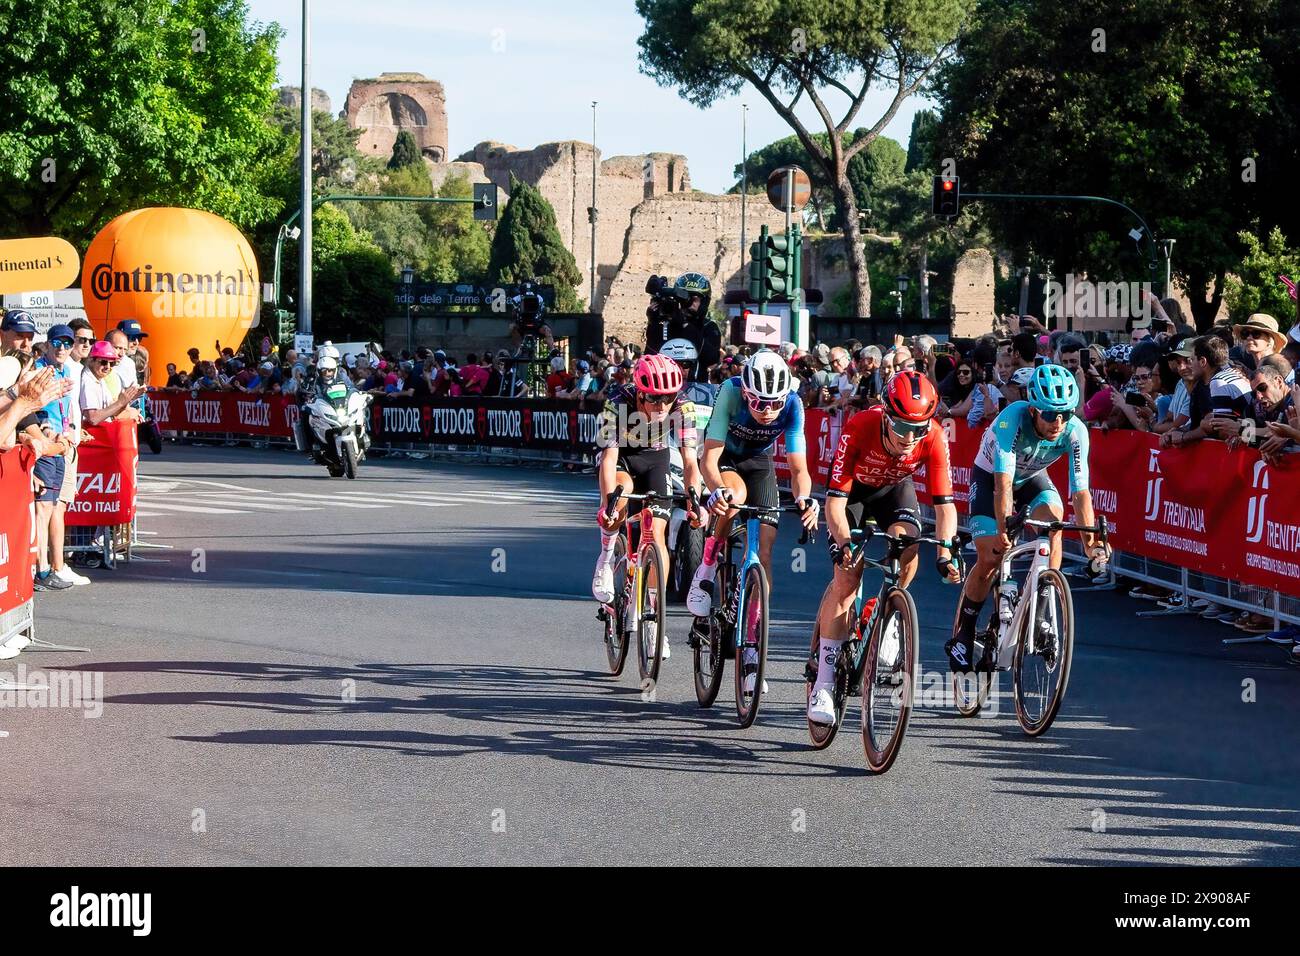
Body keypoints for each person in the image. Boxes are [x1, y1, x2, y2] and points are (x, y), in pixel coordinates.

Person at [808, 371, 961, 724]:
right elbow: (833, 504)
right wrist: (843, 542)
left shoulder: (934, 436)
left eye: (918, 429)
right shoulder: (861, 425)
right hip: (854, 494)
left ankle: (890, 611)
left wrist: (947, 552)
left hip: (894, 488)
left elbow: (944, 506)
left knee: (909, 542)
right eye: (903, 427)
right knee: (848, 576)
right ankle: (825, 683)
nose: (911, 438)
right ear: (886, 415)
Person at [946, 364, 1108, 672]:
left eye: (1065, 414)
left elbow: (1081, 492)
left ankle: (1044, 598)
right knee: (991, 555)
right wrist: (1004, 523)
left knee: (1056, 520)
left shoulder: (1076, 432)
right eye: (1049, 414)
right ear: (1033, 409)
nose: (1058, 422)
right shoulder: (1012, 421)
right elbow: (1002, 484)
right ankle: (964, 633)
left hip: (1032, 478)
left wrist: (1091, 544)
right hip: (992, 480)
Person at [688, 350, 820, 693]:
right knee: (734, 498)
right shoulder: (730, 391)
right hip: (725, 459)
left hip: (758, 462)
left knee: (765, 547)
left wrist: (805, 497)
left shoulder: (793, 404)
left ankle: (752, 635)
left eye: (773, 404)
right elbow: (709, 458)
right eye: (758, 403)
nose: (766, 412)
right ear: (746, 392)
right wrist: (715, 490)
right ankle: (706, 567)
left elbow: (798, 467)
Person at [592, 353, 704, 661]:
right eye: (654, 399)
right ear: (640, 392)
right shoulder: (617, 402)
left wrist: (695, 497)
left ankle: (655, 620)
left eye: (667, 399)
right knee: (621, 494)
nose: (661, 407)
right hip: (622, 460)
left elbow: (691, 462)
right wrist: (608, 507)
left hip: (655, 460)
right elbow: (608, 461)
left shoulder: (683, 407)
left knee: (656, 533)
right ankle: (605, 558)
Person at [643, 272, 721, 378]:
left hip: (697, 389)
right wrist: (653, 323)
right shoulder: (667, 324)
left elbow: (711, 359)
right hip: (667, 389)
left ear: (704, 302)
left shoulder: (709, 326)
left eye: (694, 300)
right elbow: (650, 356)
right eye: (685, 299)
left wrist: (684, 325)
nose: (690, 304)